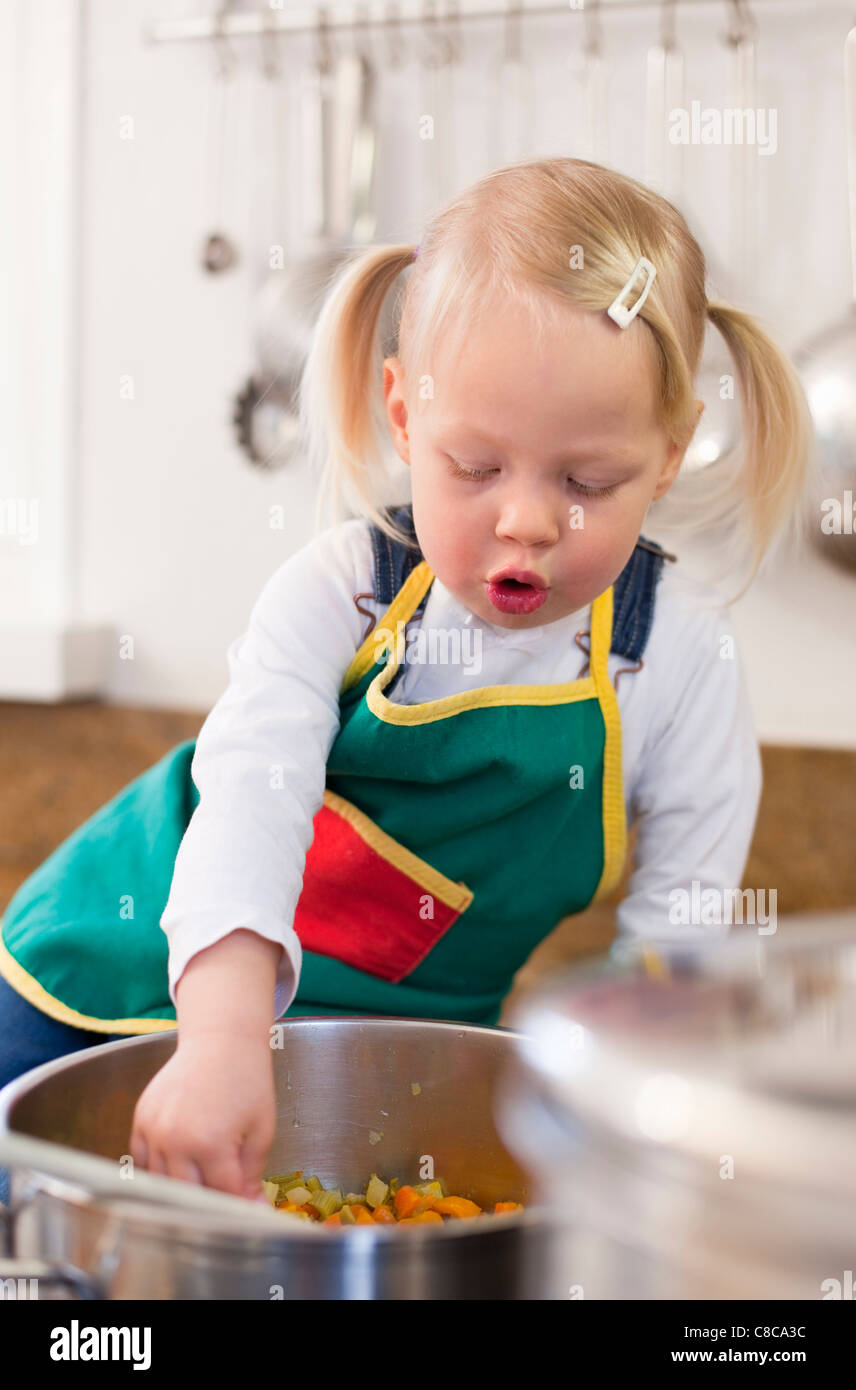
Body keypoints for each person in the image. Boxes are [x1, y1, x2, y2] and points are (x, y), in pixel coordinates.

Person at [0, 157, 813, 1203]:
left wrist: (647, 1144)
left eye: (586, 480)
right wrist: (219, 1038)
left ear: (667, 454)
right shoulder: (337, 597)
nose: (524, 518)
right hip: (121, 977)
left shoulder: (681, 664)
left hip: (388, 1052)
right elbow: (251, 806)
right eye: (473, 467)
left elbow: (679, 953)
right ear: (401, 414)